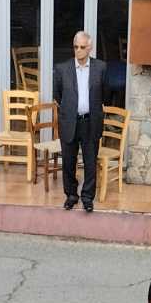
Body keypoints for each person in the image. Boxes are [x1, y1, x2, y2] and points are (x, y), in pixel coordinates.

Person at [52, 31, 107, 212]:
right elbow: (57, 95)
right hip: (69, 121)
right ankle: (71, 195)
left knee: (90, 162)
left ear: (89, 48)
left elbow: (104, 93)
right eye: (76, 47)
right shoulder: (62, 69)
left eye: (82, 47)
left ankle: (87, 197)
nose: (79, 50)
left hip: (90, 121)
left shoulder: (100, 67)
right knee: (68, 161)